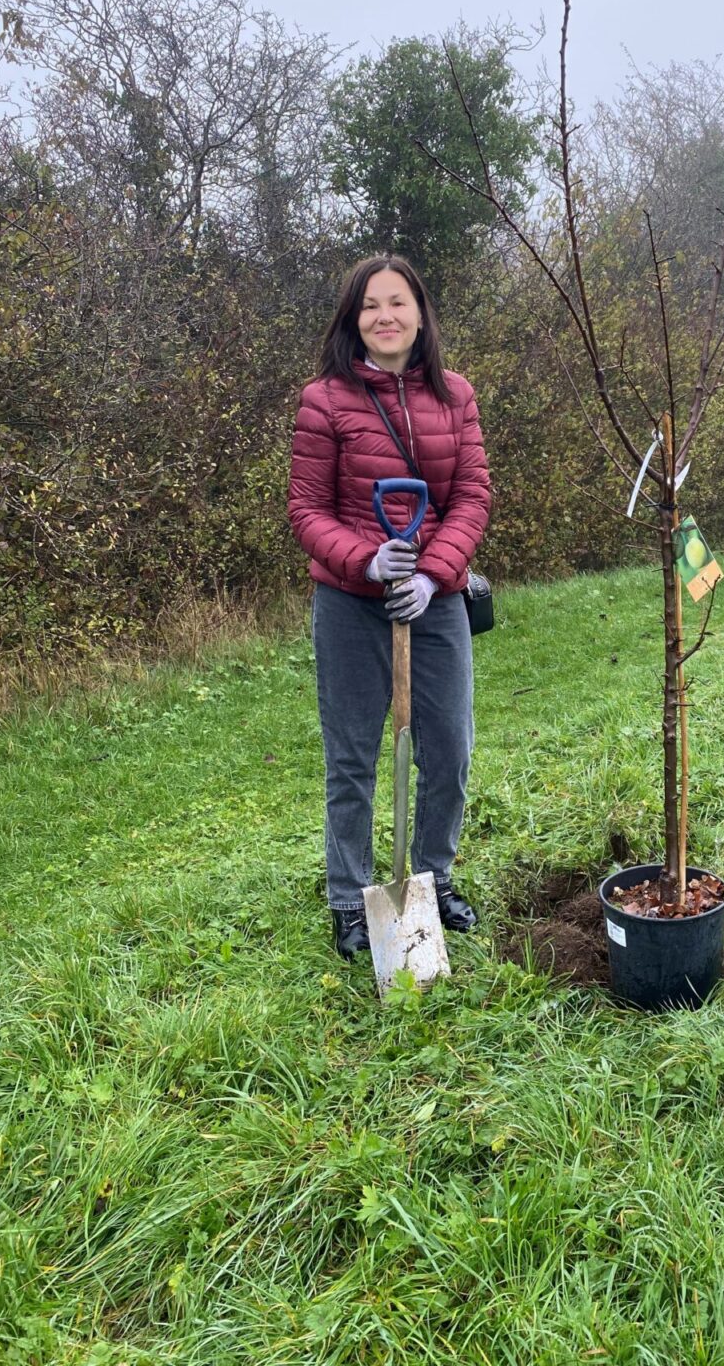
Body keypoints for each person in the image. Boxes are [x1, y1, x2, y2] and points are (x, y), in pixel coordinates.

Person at [288, 254, 491, 962]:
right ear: (354, 318)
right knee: (351, 757)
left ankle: (431, 878)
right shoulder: (325, 400)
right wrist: (366, 560)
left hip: (434, 601)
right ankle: (350, 898)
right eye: (371, 305)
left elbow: (471, 499)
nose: (385, 316)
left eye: (398, 303)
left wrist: (435, 576)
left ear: (420, 313)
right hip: (350, 603)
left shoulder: (455, 395)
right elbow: (306, 509)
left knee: (449, 748)